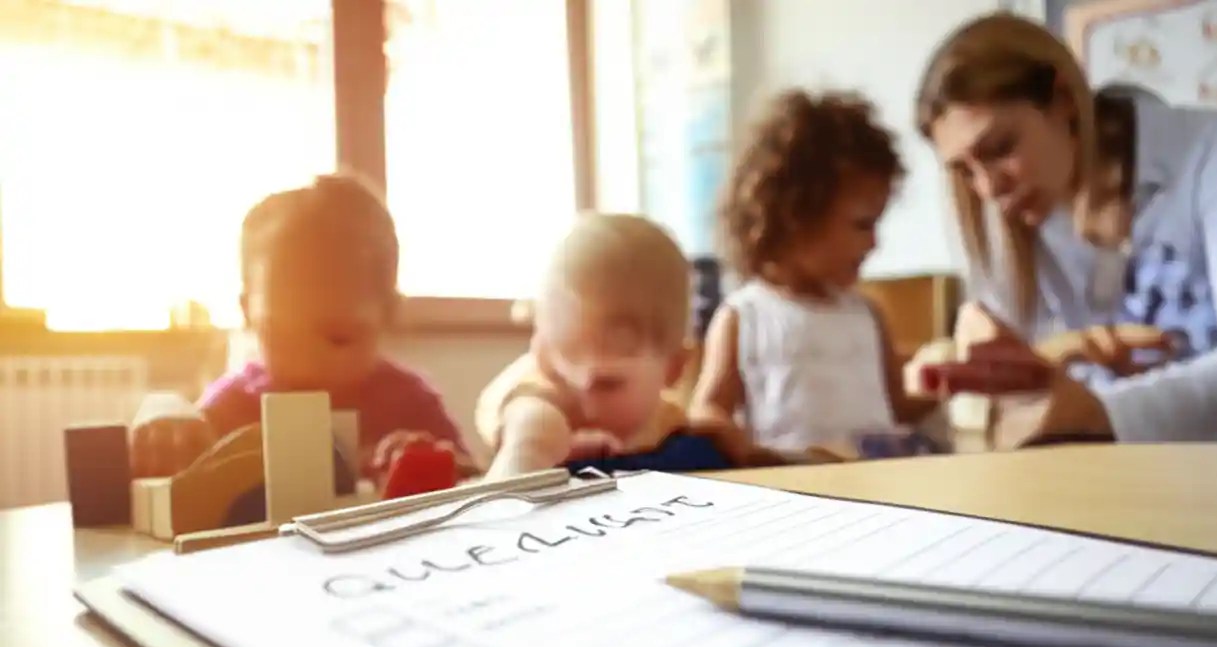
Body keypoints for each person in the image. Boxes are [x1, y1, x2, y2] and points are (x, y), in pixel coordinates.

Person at [913, 13, 1217, 445]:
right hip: (1102, 476)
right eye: (964, 171)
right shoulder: (1006, 220)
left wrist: (1100, 411)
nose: (989, 189)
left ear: (1063, 98)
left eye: (1000, 148)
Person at [130, 173, 475, 481]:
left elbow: (476, 486)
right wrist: (164, 418)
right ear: (247, 311)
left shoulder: (409, 404)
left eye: (339, 338)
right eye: (277, 335)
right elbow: (176, 474)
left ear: (388, 313)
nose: (306, 363)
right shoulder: (233, 407)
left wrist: (431, 465)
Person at [690, 90, 936, 454]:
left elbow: (897, 405)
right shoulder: (745, 317)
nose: (874, 243)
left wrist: (942, 386)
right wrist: (747, 453)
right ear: (797, 216)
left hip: (879, 482)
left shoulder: (867, 314)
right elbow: (707, 409)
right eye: (862, 224)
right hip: (798, 488)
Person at [475, 213, 753, 479]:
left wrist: (730, 441)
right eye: (555, 373)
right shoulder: (539, 402)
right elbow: (510, 401)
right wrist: (532, 442)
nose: (577, 400)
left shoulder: (672, 429)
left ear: (673, 368)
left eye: (607, 384)